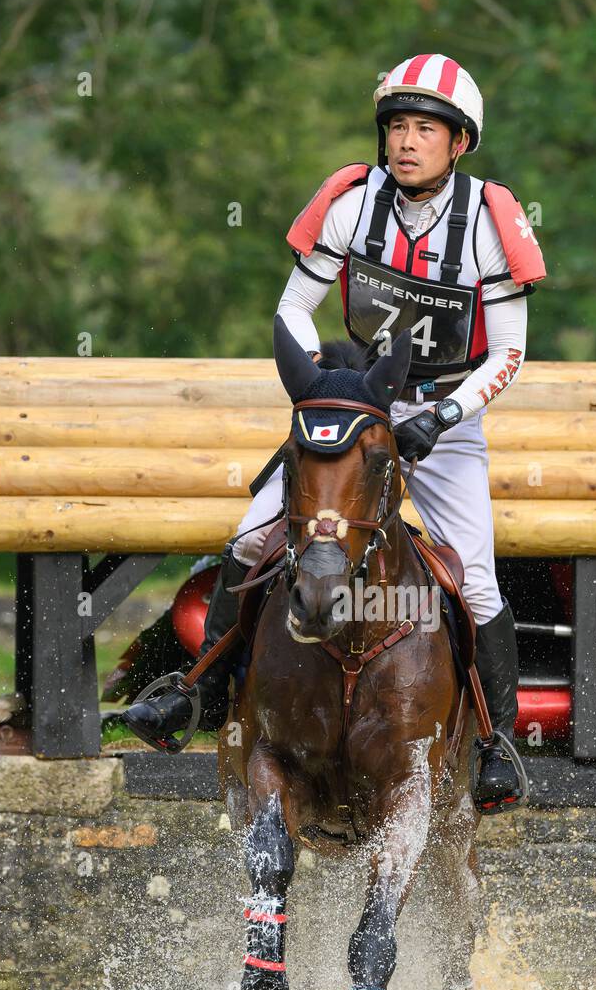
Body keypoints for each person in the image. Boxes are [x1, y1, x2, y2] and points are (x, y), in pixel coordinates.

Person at [124, 54, 546, 810]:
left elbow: (510, 350)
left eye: (426, 129)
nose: (407, 142)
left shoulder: (489, 218)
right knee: (254, 539)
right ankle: (194, 696)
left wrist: (443, 418)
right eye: (396, 127)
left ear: (459, 143)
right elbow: (293, 307)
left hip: (445, 418)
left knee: (475, 579)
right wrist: (323, 383)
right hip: (350, 408)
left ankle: (494, 745)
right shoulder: (351, 200)